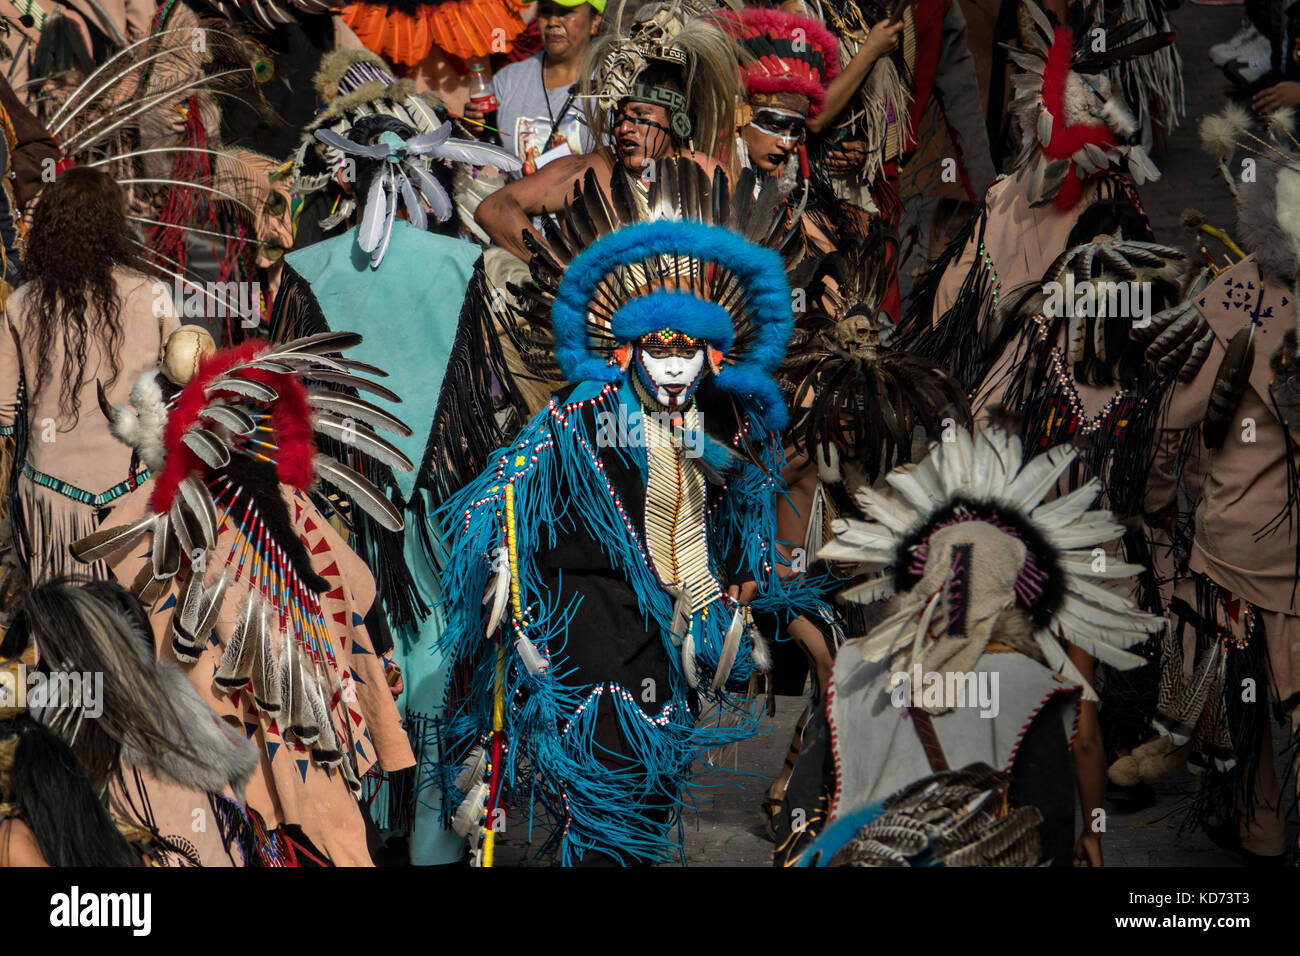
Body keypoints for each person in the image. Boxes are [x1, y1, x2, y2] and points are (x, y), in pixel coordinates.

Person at [439, 161, 830, 866]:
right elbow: (504, 496)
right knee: (604, 798)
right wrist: (501, 558)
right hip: (585, 619)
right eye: (659, 348)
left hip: (670, 630)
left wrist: (739, 573)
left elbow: (743, 506)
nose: (675, 366)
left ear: (713, 352)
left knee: (653, 790)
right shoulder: (576, 415)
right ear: (626, 349)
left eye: (688, 351)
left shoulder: (725, 414)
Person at [0, 166, 177, 585]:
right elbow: (183, 385)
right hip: (136, 496)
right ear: (113, 226)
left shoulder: (22, 303)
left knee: (66, 637)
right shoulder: (150, 293)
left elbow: (4, 410)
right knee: (137, 631)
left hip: (50, 500)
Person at [474, 0, 739, 262]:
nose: (625, 128)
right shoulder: (587, 170)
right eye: (620, 116)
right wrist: (558, 272)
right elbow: (495, 208)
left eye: (640, 116)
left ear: (676, 120)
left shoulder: (712, 177)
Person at [477, 0, 604, 170]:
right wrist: (475, 132)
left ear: (595, 20)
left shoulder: (612, 86)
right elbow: (486, 166)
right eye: (545, 11)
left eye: (565, 12)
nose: (552, 22)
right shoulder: (507, 81)